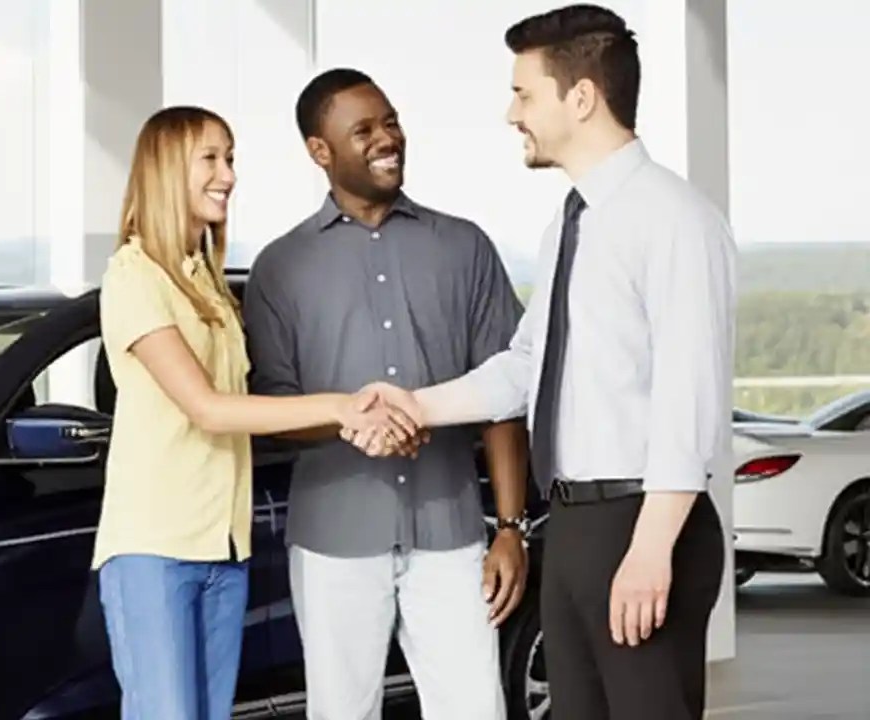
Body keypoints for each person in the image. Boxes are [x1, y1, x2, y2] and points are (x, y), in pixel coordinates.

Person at [376, 5, 735, 719]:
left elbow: (689, 397)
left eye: (524, 94)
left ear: (582, 97)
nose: (512, 113)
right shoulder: (569, 225)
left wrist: (650, 548)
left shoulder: (674, 219)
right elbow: (527, 364)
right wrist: (415, 405)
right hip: (570, 525)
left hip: (641, 522)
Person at [93, 105, 416, 720]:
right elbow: (209, 409)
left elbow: (251, 402)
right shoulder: (133, 277)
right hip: (154, 548)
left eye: (231, 158)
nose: (229, 175)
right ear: (167, 169)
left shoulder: (207, 283)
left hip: (225, 548)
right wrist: (343, 406)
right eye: (211, 159)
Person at [242, 68, 530, 719]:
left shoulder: (464, 247)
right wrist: (355, 422)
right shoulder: (280, 268)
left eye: (391, 122)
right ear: (320, 150)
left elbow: (505, 394)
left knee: (476, 710)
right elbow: (273, 409)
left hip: (452, 533)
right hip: (333, 540)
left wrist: (511, 528)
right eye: (364, 130)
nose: (387, 139)